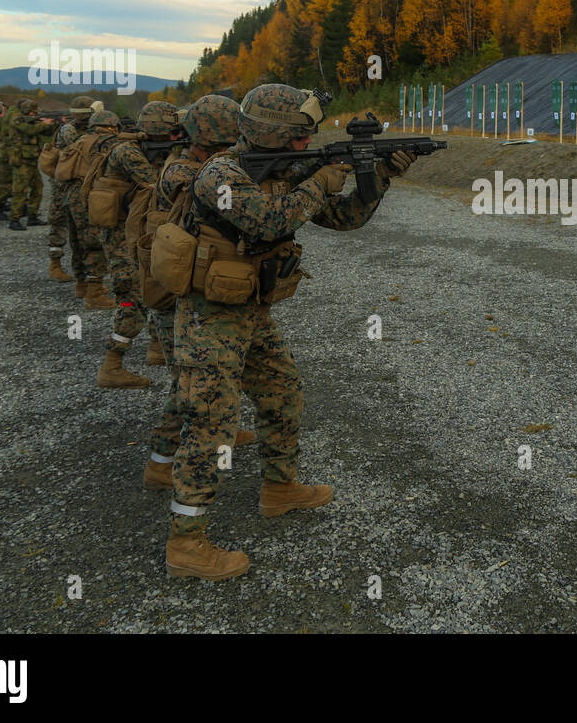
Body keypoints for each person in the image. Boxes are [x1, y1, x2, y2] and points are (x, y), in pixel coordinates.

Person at [164, 83, 415, 580]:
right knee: (212, 422)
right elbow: (267, 222)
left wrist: (379, 174)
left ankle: (280, 488)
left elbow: (344, 219)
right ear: (272, 134)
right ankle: (186, 543)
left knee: (283, 392)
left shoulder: (287, 170)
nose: (306, 145)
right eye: (299, 137)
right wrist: (320, 180)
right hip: (208, 315)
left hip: (250, 310)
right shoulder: (221, 173)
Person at [141, 95, 255, 493]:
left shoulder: (193, 163)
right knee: (190, 384)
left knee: (197, 380)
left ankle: (192, 445)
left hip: (183, 286)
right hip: (173, 293)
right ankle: (162, 462)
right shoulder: (183, 172)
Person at [92, 100, 181, 389]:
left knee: (157, 284)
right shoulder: (127, 152)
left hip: (135, 229)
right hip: (119, 234)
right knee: (133, 294)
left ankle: (156, 348)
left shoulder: (140, 147)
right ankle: (112, 364)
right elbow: (158, 184)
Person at [68, 110, 118, 308]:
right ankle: (94, 294)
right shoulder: (107, 142)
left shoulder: (81, 139)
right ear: (111, 126)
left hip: (71, 195)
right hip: (89, 196)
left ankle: (82, 285)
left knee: (77, 242)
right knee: (95, 244)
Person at [46, 97, 98, 285]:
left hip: (76, 184)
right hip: (63, 185)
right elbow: (84, 148)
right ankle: (55, 264)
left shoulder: (81, 129)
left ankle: (83, 273)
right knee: (59, 222)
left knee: (79, 228)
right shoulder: (70, 130)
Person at [8, 98, 55, 229]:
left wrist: (53, 123)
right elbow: (29, 130)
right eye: (33, 113)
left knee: (37, 189)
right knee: (20, 191)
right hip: (21, 160)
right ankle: (14, 219)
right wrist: (44, 123)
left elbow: (46, 133)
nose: (35, 115)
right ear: (27, 112)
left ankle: (32, 216)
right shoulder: (16, 120)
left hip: (32, 160)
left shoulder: (33, 122)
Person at [0, 101, 18, 221]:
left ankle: (0, 208)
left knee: (8, 183)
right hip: (8, 155)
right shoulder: (10, 120)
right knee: (6, 183)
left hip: (6, 154)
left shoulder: (6, 119)